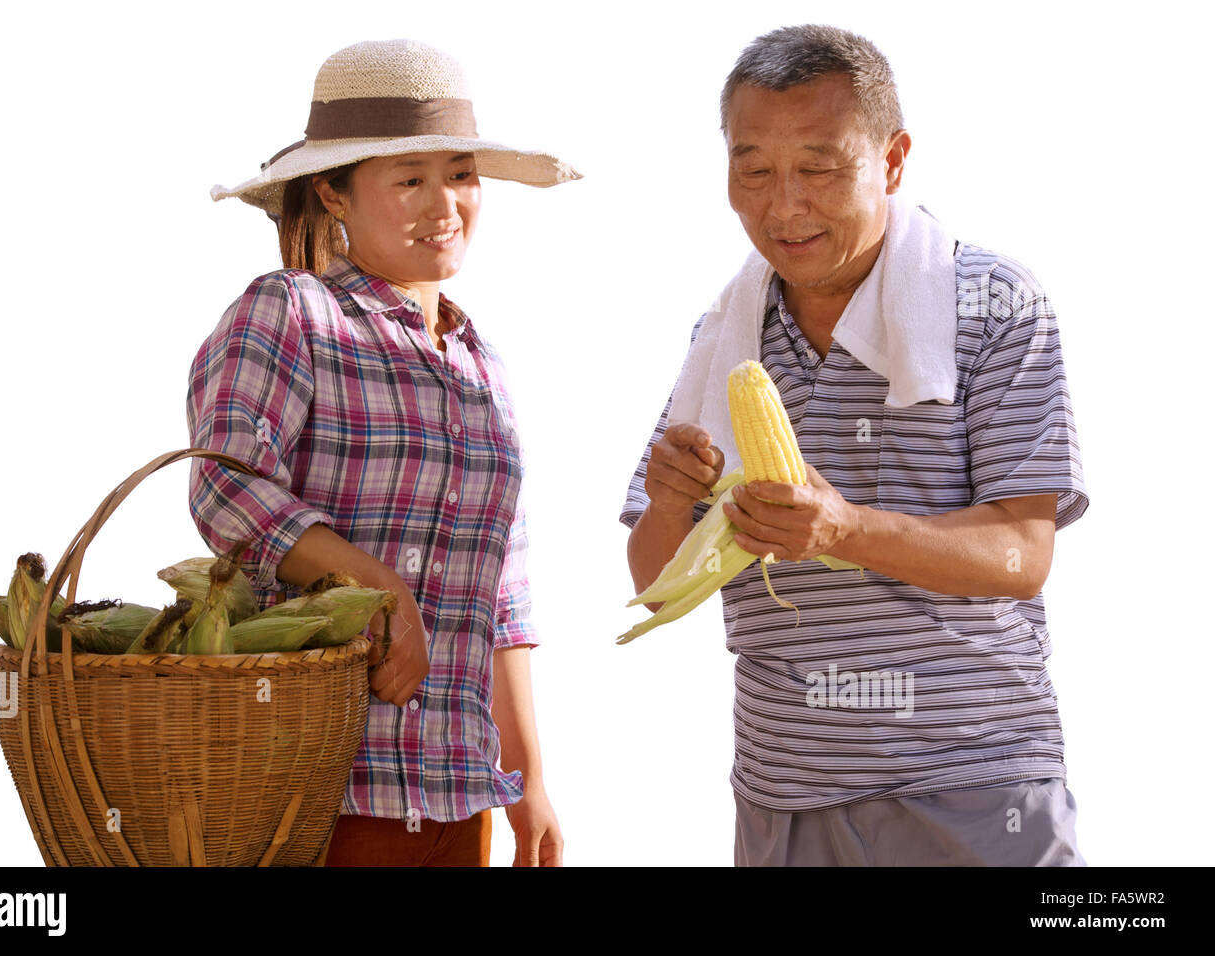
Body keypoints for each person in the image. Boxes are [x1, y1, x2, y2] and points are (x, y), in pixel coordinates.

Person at [620, 24, 1089, 866]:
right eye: (753, 169)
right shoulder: (723, 337)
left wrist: (845, 530)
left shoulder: (994, 305)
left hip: (978, 788)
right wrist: (663, 501)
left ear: (894, 159)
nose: (783, 205)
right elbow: (656, 589)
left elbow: (1024, 553)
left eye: (821, 167)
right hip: (785, 797)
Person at [189, 39, 578, 866]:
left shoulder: (484, 370)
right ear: (334, 191)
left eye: (461, 173)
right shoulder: (293, 314)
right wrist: (380, 587)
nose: (445, 205)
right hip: (318, 792)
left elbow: (501, 599)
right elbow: (227, 491)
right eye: (409, 179)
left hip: (457, 797)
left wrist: (530, 780)